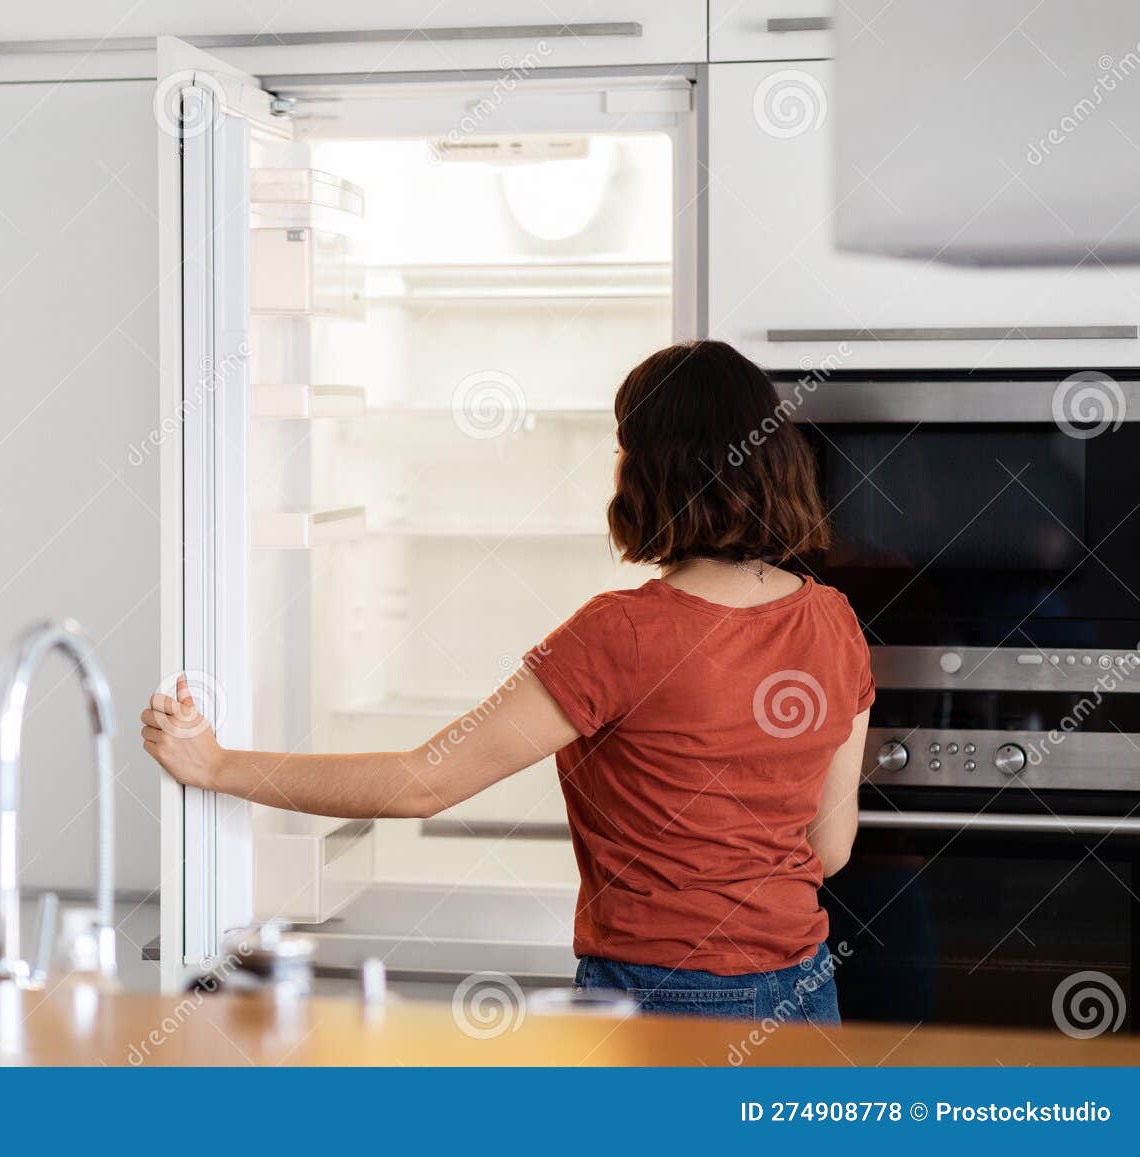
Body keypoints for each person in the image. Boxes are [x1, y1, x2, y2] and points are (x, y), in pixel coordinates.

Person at [141, 340, 872, 1024]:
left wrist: (218, 765)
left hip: (663, 997)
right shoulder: (834, 620)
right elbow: (831, 848)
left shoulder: (624, 633)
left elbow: (421, 782)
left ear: (651, 471)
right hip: (802, 989)